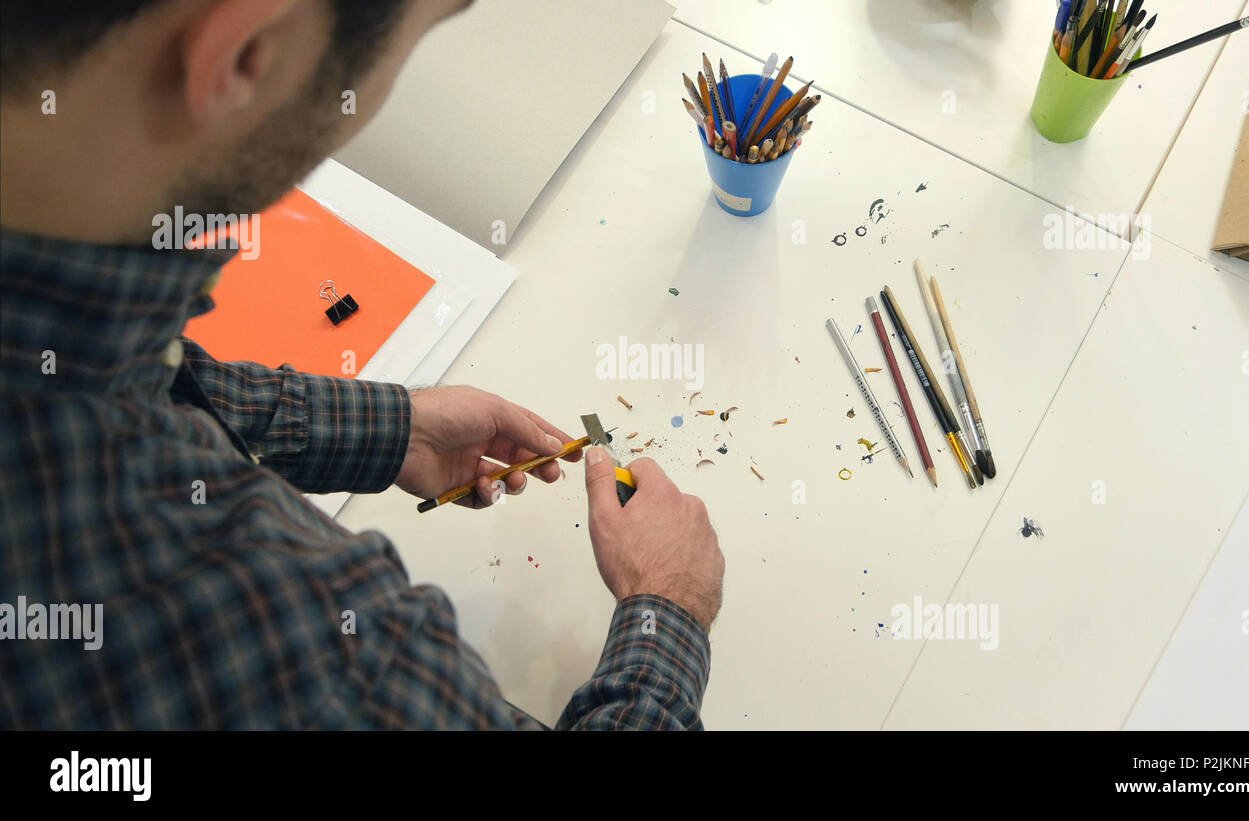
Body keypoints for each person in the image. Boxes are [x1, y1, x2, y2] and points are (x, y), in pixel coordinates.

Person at [0, 0, 724, 729]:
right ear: (251, 50)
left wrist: (387, 428)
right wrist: (668, 607)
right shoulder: (305, 651)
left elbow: (136, 381)